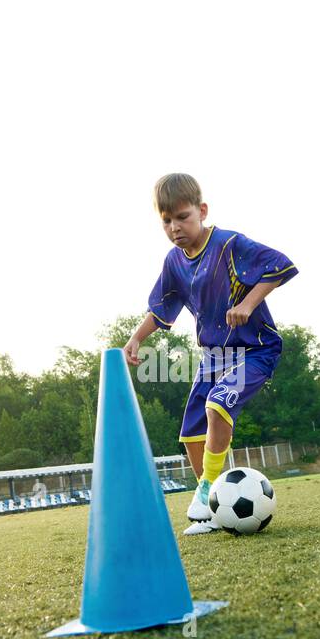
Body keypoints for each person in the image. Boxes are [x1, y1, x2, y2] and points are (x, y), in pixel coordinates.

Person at [124, 173, 298, 534]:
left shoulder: (229, 244)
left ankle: (205, 493)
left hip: (255, 350)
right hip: (212, 358)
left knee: (218, 404)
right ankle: (215, 504)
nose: (175, 227)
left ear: (202, 210)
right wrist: (137, 338)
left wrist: (249, 303)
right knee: (190, 432)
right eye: (166, 220)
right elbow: (161, 306)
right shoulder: (174, 261)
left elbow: (280, 264)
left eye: (182, 217)